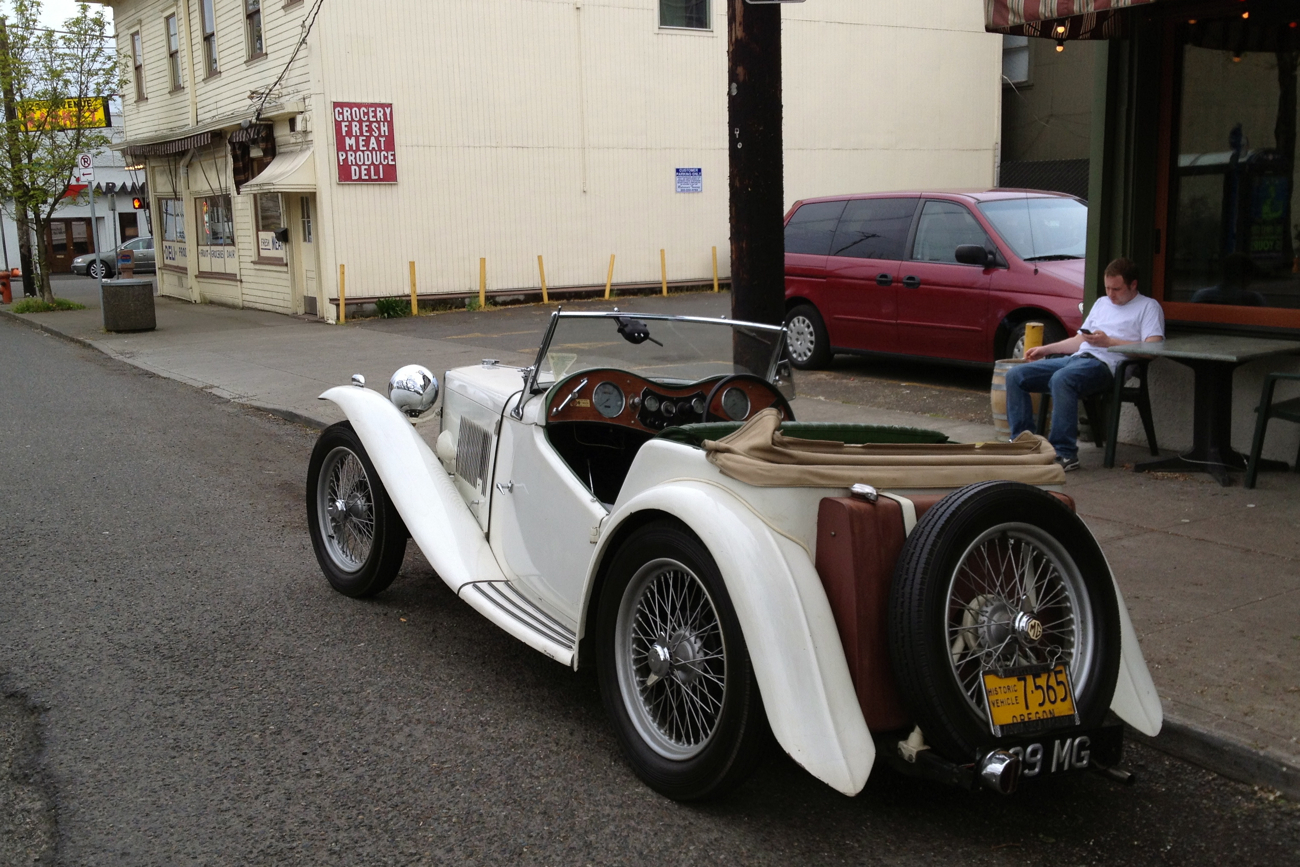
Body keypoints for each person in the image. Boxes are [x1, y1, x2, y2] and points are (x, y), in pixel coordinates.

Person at [1005, 257, 1165, 471]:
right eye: (1107, 287)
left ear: (1133, 284)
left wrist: (1109, 342)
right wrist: (1047, 349)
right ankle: (1024, 445)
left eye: (1116, 289)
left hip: (1107, 366)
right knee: (1016, 375)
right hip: (1078, 359)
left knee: (1063, 380)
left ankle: (1065, 454)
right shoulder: (1102, 303)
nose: (1110, 294)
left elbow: (1154, 349)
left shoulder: (1148, 307)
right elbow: (1080, 340)